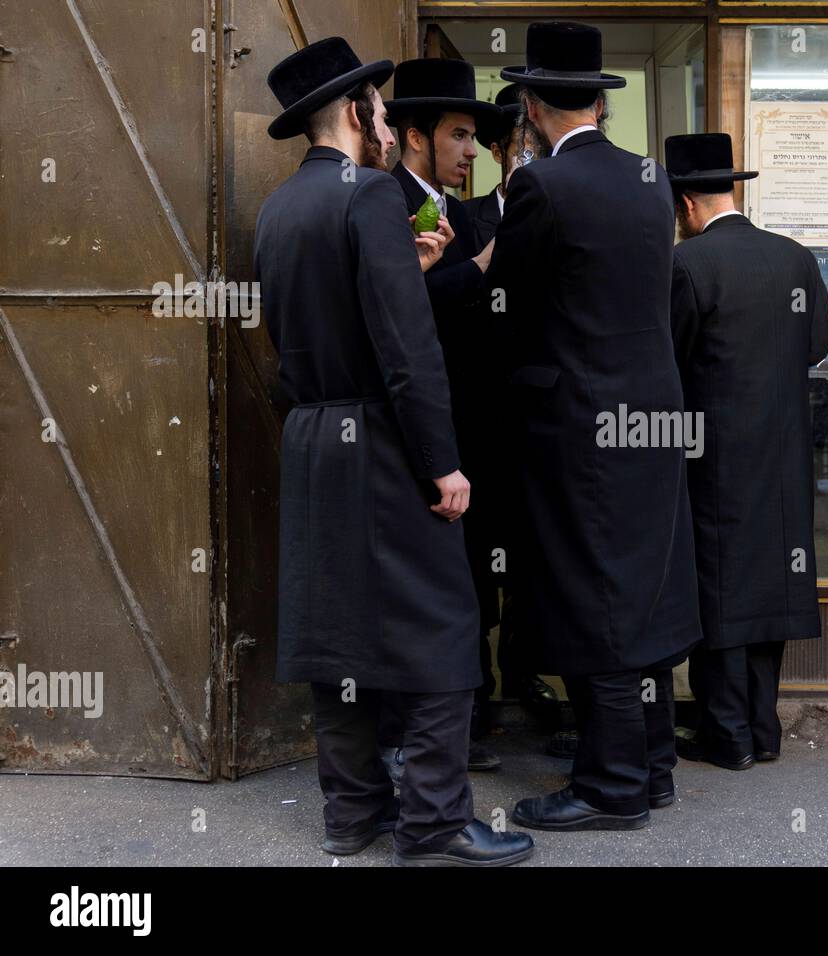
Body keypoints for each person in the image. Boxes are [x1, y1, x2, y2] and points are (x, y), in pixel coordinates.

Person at [254, 36, 532, 866]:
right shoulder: (370, 198)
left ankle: (353, 813)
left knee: (338, 638)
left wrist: (408, 271)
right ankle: (436, 820)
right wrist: (443, 462)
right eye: (378, 107)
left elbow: (307, 328)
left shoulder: (280, 208)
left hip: (313, 440)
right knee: (445, 629)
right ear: (354, 113)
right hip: (380, 440)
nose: (385, 120)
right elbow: (404, 350)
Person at [487, 21, 702, 831]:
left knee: (593, 594)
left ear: (533, 104)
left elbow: (510, 304)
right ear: (598, 101)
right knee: (640, 589)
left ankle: (610, 786)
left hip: (580, 423)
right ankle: (650, 766)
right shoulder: (649, 180)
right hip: (651, 413)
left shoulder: (544, 187)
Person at [665, 133, 828, 770]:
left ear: (685, 203)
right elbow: (817, 344)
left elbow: (670, 361)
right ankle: (763, 732)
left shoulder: (688, 265)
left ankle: (726, 735)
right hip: (787, 450)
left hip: (714, 454)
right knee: (772, 585)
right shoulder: (794, 258)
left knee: (720, 587)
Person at [378, 57, 503, 774]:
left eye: (473, 138)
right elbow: (401, 311)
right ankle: (409, 745)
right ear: (417, 135)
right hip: (421, 432)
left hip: (470, 429)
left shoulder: (454, 209)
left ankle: (466, 725)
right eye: (458, 135)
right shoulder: (385, 200)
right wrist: (484, 265)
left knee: (470, 587)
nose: (468, 152)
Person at [460, 83, 564, 731]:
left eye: (538, 150)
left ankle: (526, 672)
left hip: (535, 421)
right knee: (473, 557)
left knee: (530, 558)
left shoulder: (558, 212)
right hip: (476, 415)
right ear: (498, 150)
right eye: (521, 149)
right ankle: (474, 685)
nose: (530, 161)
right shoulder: (464, 218)